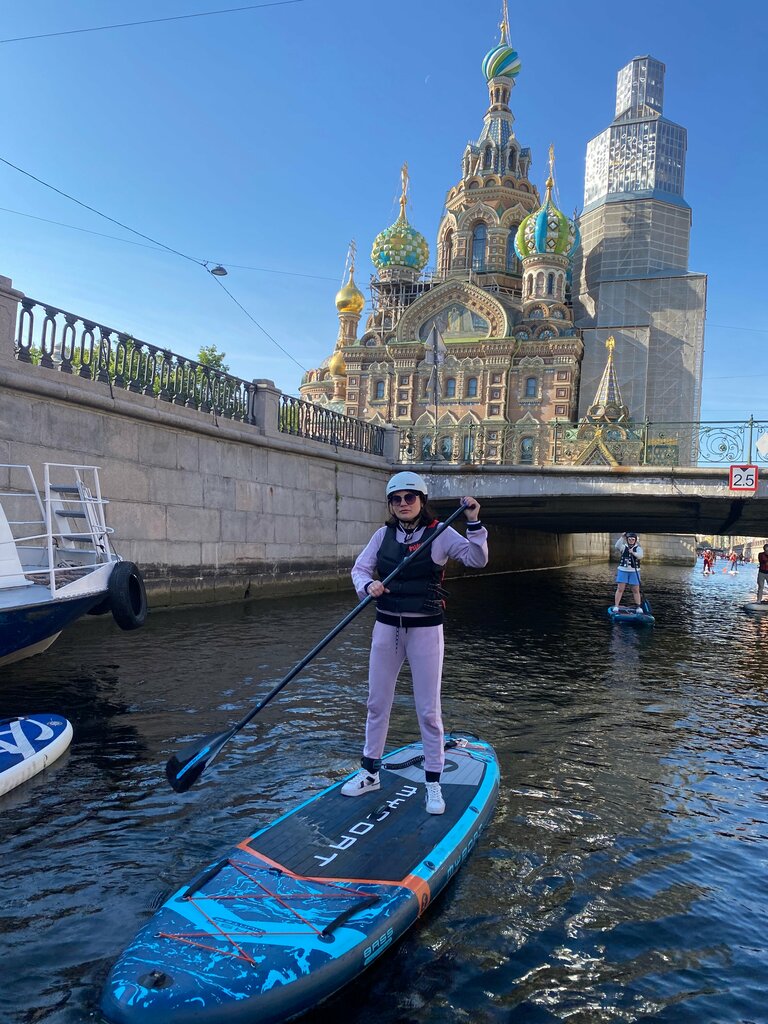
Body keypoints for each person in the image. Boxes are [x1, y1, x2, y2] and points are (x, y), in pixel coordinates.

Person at [343, 470, 488, 815]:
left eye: (410, 498)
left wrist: (474, 522)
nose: (403, 504)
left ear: (421, 501)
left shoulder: (440, 533)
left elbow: (476, 558)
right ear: (391, 505)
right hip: (386, 628)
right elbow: (359, 570)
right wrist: (368, 587)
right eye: (397, 499)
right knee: (377, 703)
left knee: (428, 711)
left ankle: (433, 782)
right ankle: (369, 772)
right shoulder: (382, 536)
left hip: (425, 631)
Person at [613, 531, 644, 613]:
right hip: (623, 570)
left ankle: (638, 606)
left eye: (632, 539)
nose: (631, 541)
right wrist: (622, 537)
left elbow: (640, 556)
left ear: (635, 540)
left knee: (636, 590)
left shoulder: (638, 548)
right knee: (620, 588)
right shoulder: (624, 547)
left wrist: (633, 553)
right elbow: (617, 546)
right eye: (629, 539)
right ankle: (616, 606)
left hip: (634, 572)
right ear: (627, 540)